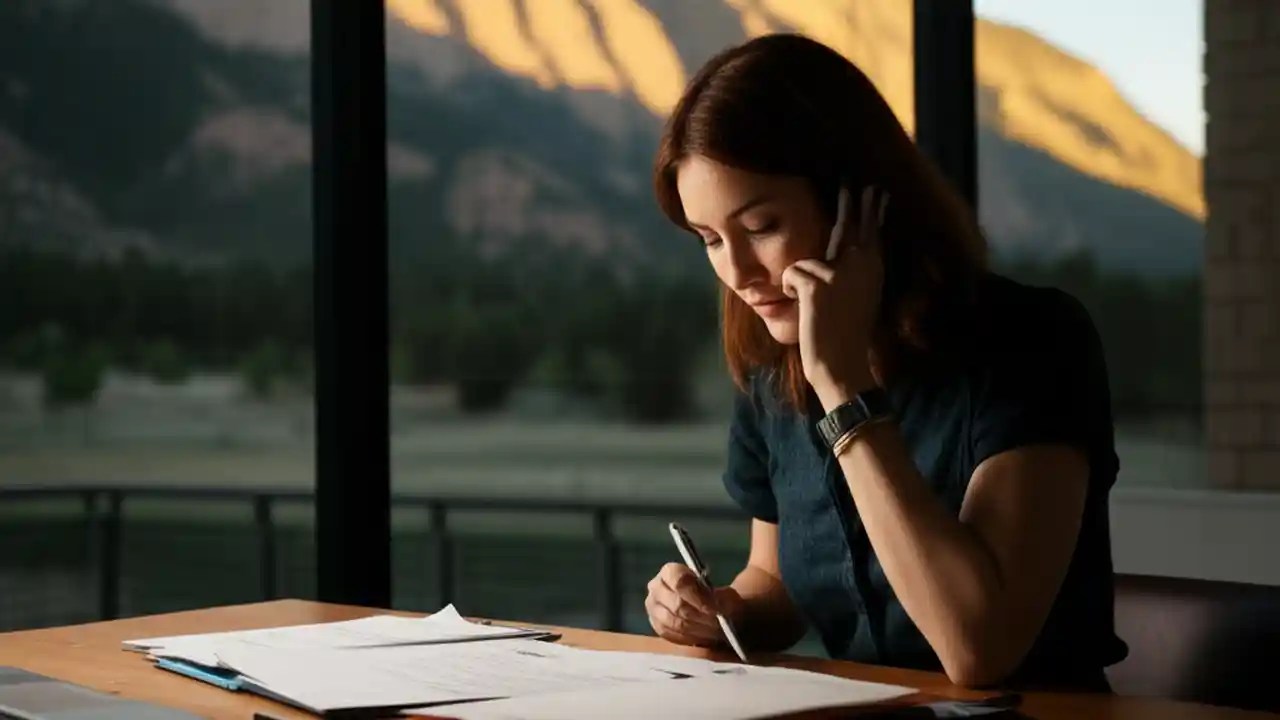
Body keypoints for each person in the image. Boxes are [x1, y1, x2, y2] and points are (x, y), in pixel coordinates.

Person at [643, 33, 1128, 690]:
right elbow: (778, 585)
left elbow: (978, 647)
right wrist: (717, 611)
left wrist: (844, 388)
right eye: (709, 240)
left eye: (760, 228)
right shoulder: (771, 371)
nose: (738, 273)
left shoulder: (1032, 342)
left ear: (859, 200)